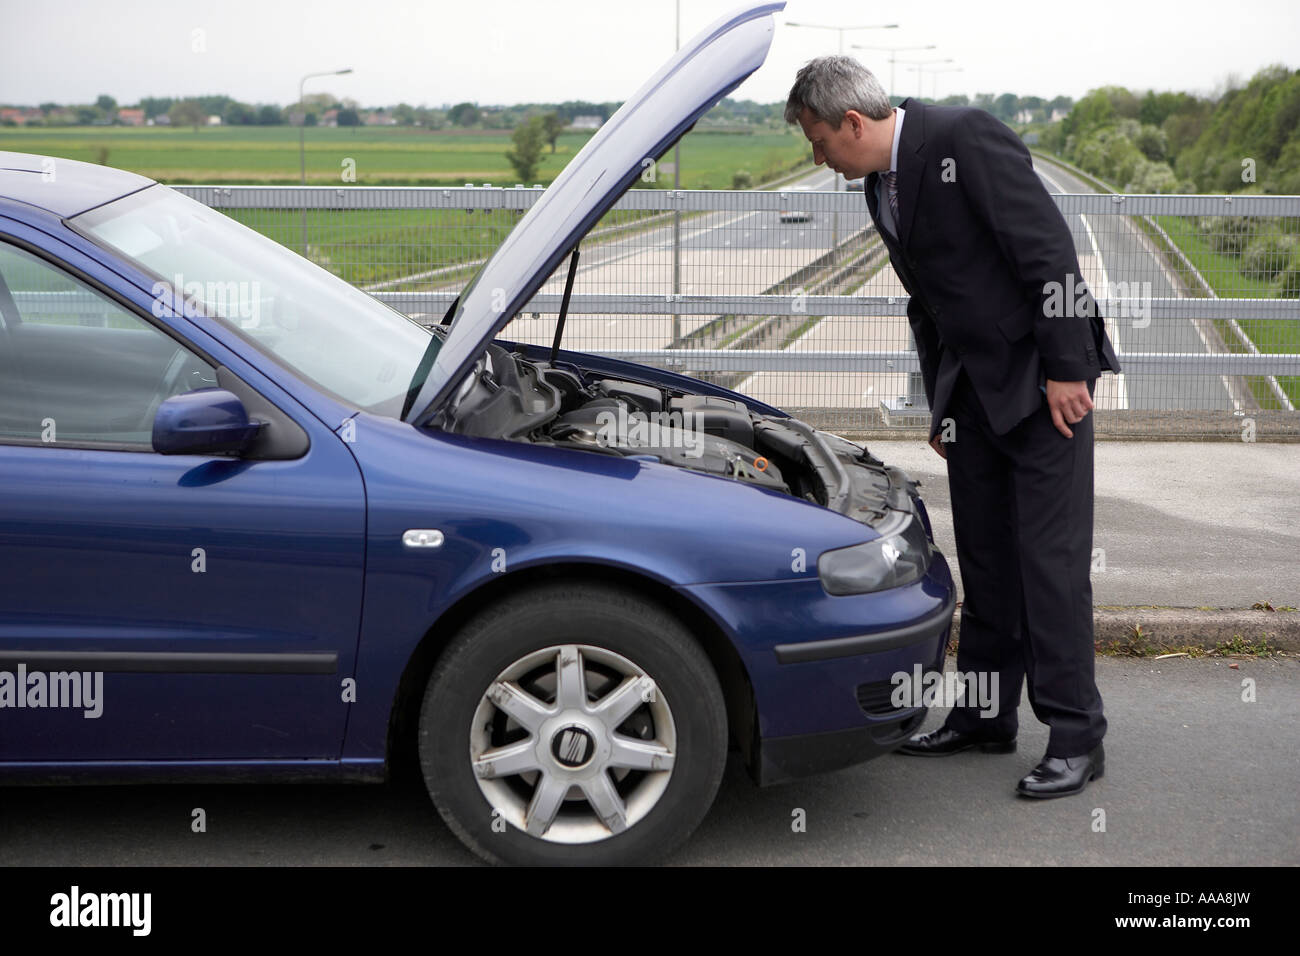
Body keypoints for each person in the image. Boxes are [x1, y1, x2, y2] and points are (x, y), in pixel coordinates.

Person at [785, 56, 1121, 798]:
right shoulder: (880, 184)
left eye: (818, 143)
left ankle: (1075, 735)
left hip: (1042, 386)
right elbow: (927, 301)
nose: (818, 160)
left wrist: (1068, 366)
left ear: (853, 123)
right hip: (971, 399)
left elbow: (1047, 252)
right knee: (989, 561)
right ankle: (984, 716)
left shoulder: (964, 138)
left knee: (1049, 568)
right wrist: (941, 405)